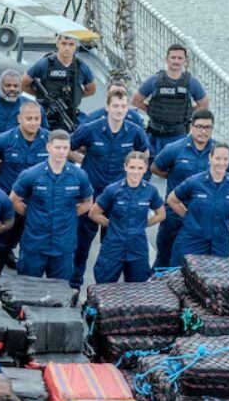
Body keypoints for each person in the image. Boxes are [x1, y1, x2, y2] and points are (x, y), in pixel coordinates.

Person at [66, 87, 151, 286]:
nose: (119, 110)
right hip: (91, 194)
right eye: (115, 106)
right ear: (107, 107)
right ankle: (75, 284)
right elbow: (68, 146)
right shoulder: (91, 128)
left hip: (118, 197)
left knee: (112, 244)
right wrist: (82, 159)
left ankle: (109, 289)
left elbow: (144, 153)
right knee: (82, 243)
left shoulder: (135, 132)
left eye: (123, 106)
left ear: (128, 108)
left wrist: (135, 176)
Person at [152, 110, 229, 265]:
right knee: (165, 256)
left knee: (204, 263)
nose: (203, 131)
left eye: (208, 127)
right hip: (174, 213)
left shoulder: (219, 153)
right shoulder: (174, 149)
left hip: (203, 219)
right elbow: (156, 168)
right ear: (191, 127)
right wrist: (172, 177)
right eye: (199, 126)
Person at [9, 131, 95, 283]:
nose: (61, 152)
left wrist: (69, 215)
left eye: (65, 147)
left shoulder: (79, 175)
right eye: (57, 147)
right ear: (48, 147)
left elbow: (88, 202)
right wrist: (32, 215)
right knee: (27, 288)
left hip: (63, 245)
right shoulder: (32, 174)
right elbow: (14, 200)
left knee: (60, 292)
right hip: (35, 244)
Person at [87, 150, 164, 284]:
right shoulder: (112, 190)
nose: (136, 171)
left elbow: (161, 214)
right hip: (113, 246)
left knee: (137, 288)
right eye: (132, 167)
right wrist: (112, 226)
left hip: (137, 248)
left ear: (146, 168)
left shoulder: (150, 190)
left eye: (140, 168)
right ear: (125, 167)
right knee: (104, 286)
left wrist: (142, 224)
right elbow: (94, 213)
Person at [166, 141, 229, 263]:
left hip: (221, 241)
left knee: (218, 278)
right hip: (192, 239)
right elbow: (172, 200)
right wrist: (189, 216)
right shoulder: (194, 182)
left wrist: (223, 215)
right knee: (181, 275)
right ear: (210, 158)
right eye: (218, 158)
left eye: (225, 159)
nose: (221, 163)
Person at [133, 43, 207, 154]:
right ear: (167, 59)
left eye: (180, 58)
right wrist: (151, 111)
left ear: (184, 61)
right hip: (154, 135)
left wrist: (187, 114)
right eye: (173, 57)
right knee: (148, 166)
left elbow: (204, 104)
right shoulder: (155, 80)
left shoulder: (191, 82)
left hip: (178, 136)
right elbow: (136, 100)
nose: (176, 61)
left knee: (176, 169)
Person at [24, 33, 97, 131]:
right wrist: (41, 94)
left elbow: (91, 90)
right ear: (57, 44)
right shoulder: (45, 64)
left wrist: (76, 96)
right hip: (46, 114)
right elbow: (23, 83)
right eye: (64, 43)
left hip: (70, 115)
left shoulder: (81, 67)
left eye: (71, 44)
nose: (67, 48)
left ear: (76, 46)